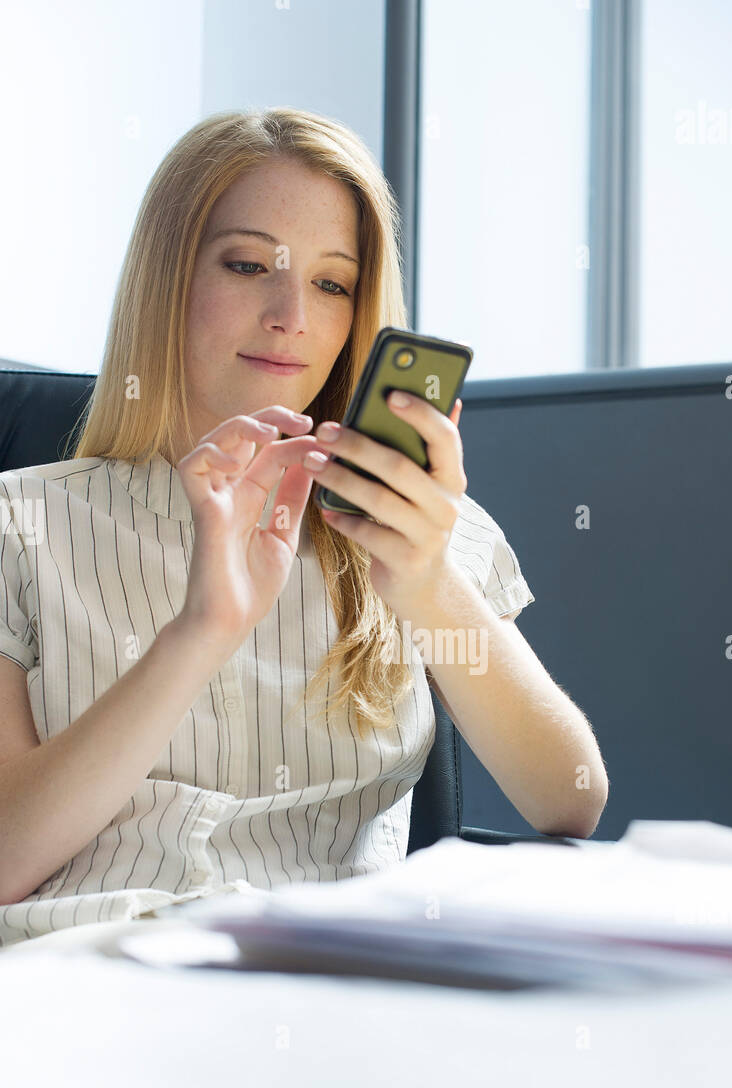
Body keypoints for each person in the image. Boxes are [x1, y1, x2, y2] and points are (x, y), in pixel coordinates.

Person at [0, 107, 608, 948]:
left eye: (332, 283)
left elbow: (568, 798)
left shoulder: (419, 526)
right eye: (249, 265)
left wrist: (429, 584)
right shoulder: (18, 523)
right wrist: (203, 631)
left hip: (327, 983)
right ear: (165, 279)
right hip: (81, 969)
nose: (291, 314)